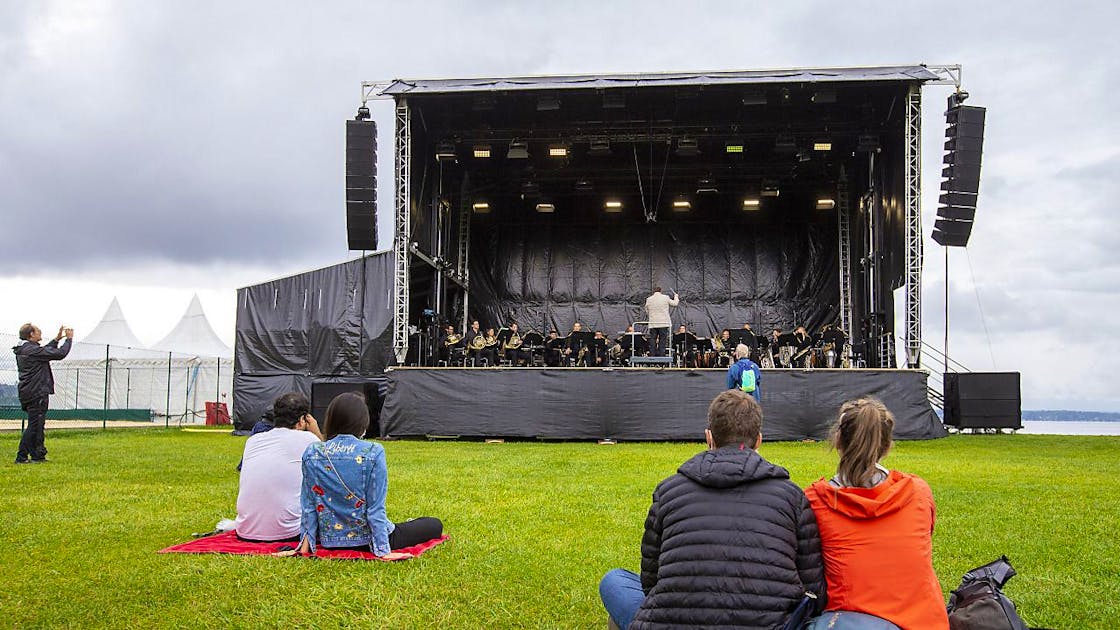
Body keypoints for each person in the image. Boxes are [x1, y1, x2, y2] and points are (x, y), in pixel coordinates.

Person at [599, 390, 824, 629]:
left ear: (709, 437)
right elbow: (813, 589)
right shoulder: (792, 496)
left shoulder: (668, 491)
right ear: (758, 440)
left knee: (615, 582)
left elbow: (650, 581)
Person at [803, 398, 949, 630]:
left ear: (838, 440)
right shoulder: (918, 492)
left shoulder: (816, 500)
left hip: (850, 622)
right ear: (887, 446)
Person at [298, 392, 442, 558]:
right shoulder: (373, 451)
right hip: (367, 540)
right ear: (362, 422)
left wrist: (304, 548)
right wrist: (383, 551)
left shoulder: (313, 452)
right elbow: (375, 507)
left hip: (328, 539)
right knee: (434, 524)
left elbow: (309, 505)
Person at [233, 393, 322, 541]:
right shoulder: (308, 439)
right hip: (289, 532)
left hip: (245, 530)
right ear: (302, 420)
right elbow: (331, 465)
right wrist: (316, 432)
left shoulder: (253, 440)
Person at [13, 323, 73, 464]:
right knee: (35, 425)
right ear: (31, 335)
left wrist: (56, 339)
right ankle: (21, 456)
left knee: (38, 424)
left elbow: (45, 351)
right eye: (38, 331)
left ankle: (38, 455)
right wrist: (68, 339)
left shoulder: (26, 349)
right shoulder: (32, 350)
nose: (41, 333)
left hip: (29, 391)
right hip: (37, 392)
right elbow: (59, 354)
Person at [644, 286, 679, 357]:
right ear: (661, 291)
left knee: (653, 339)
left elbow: (647, 310)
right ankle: (661, 355)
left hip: (653, 323)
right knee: (662, 340)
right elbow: (675, 303)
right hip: (663, 323)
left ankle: (652, 354)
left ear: (653, 291)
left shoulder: (649, 299)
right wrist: (676, 297)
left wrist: (652, 315)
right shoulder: (665, 297)